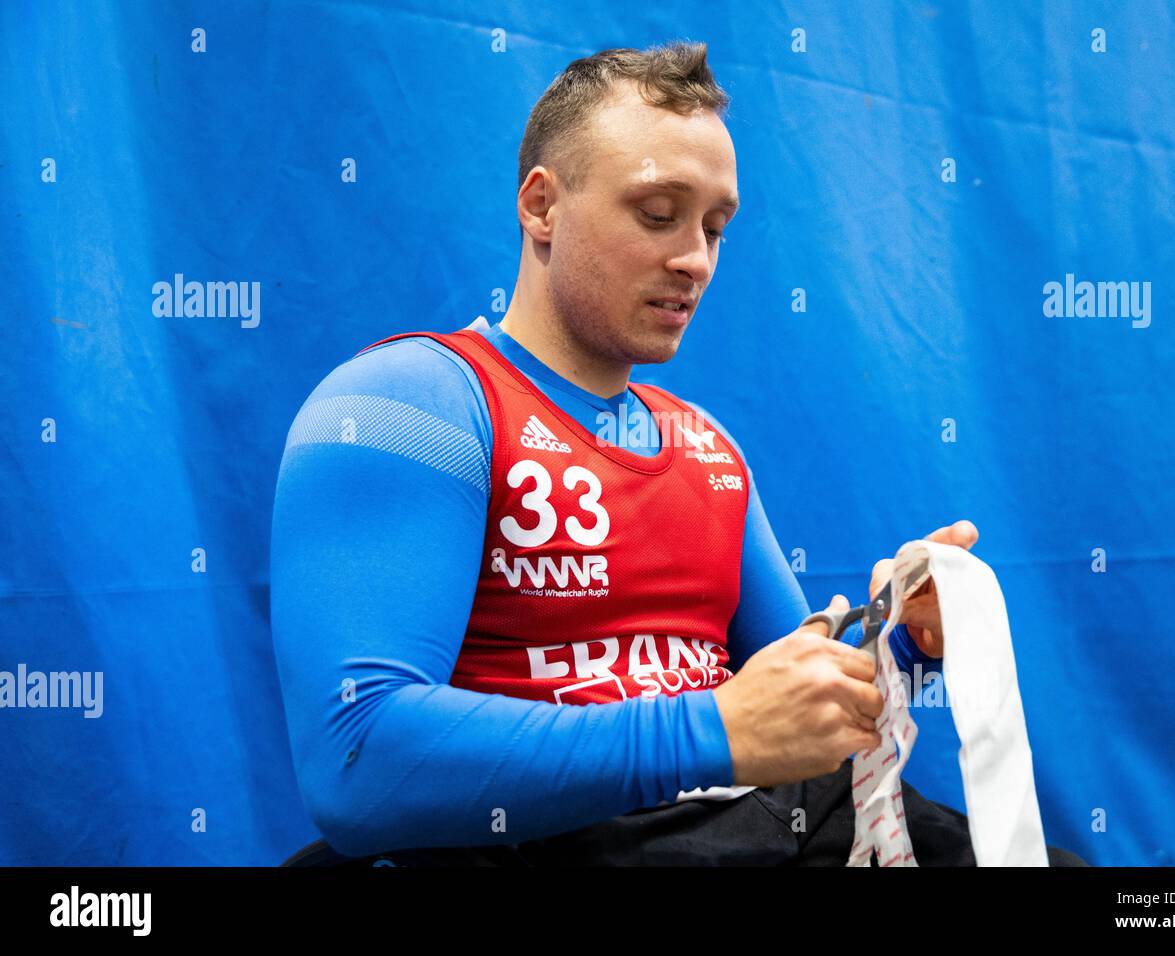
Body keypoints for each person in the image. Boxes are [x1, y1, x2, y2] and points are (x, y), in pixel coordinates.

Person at [270, 41, 1086, 867]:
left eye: (715, 227)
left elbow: (786, 709)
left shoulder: (707, 448)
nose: (695, 258)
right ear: (542, 206)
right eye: (659, 214)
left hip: (748, 826)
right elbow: (356, 760)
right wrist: (713, 732)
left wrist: (894, 642)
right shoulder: (411, 402)